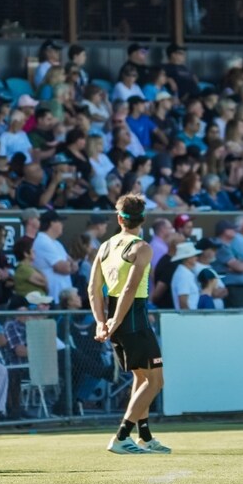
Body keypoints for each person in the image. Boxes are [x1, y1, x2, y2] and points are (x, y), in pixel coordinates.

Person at [88, 193, 169, 454]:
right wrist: (114, 321)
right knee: (155, 382)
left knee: (141, 376)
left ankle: (144, 435)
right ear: (143, 218)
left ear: (119, 218)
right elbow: (130, 290)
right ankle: (122, 436)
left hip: (118, 321)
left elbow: (93, 289)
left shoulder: (106, 246)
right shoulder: (141, 247)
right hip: (133, 320)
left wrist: (102, 322)